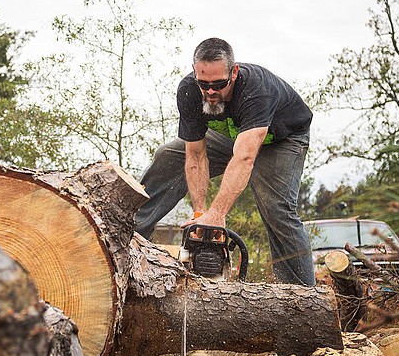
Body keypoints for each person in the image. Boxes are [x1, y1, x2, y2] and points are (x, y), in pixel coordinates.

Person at [135, 37, 315, 285]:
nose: (210, 92)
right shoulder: (188, 90)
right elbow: (196, 155)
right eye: (204, 84)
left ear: (234, 72)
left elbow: (245, 156)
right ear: (195, 72)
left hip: (281, 139)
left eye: (219, 84)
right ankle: (130, 234)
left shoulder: (257, 89)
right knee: (170, 155)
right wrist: (201, 213)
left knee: (277, 209)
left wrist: (217, 214)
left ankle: (302, 294)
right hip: (232, 134)